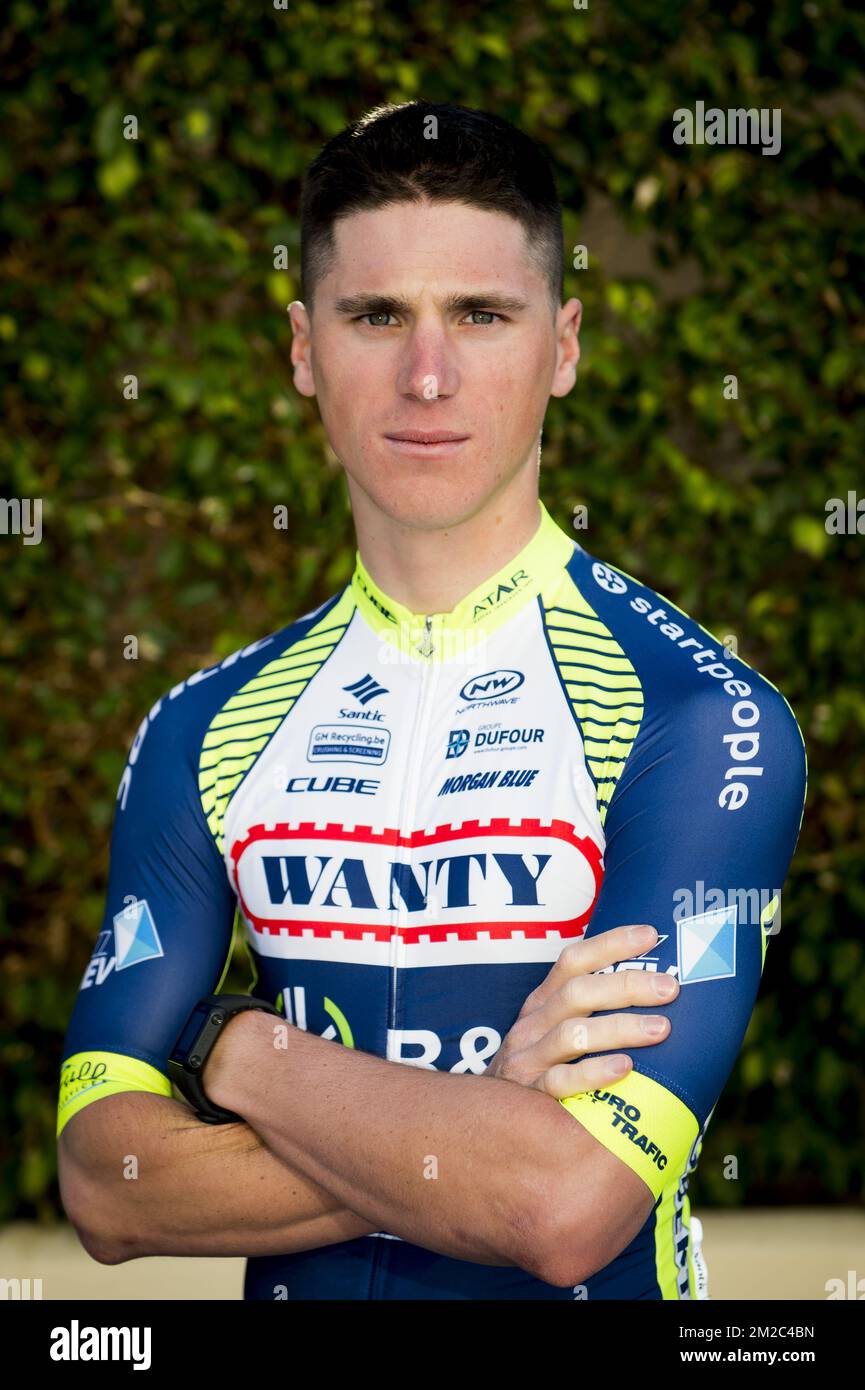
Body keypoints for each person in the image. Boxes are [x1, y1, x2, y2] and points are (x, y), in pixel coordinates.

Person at [57, 100, 807, 1300]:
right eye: (375, 316)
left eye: (480, 314)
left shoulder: (700, 717)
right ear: (303, 348)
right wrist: (489, 1114)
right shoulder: (201, 730)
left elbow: (562, 1207)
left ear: (562, 345)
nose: (426, 373)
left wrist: (233, 1045)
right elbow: (107, 1185)